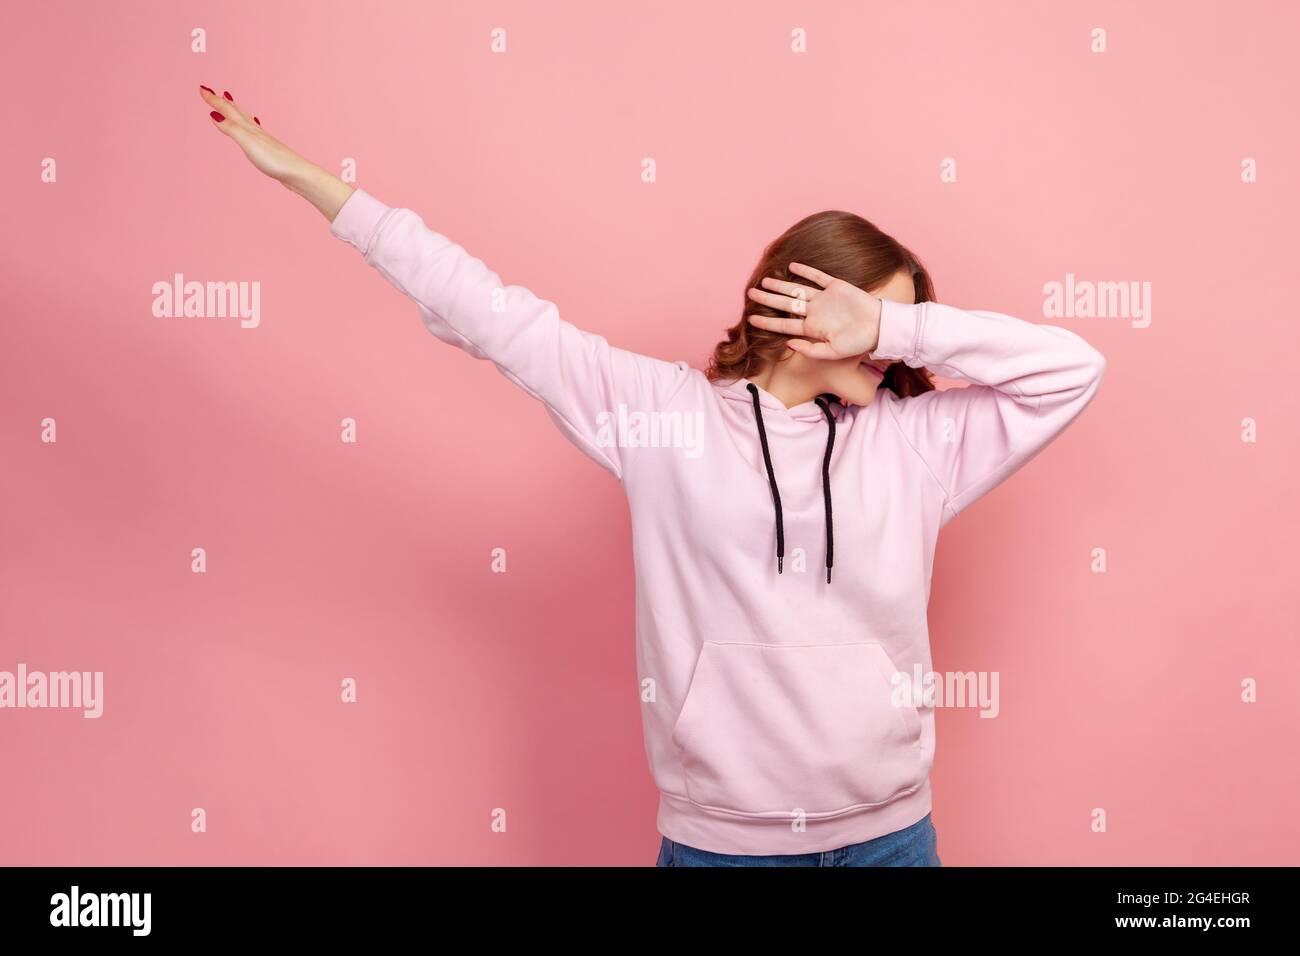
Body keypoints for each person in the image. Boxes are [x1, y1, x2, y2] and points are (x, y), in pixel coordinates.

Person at [200, 85, 1106, 867]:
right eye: (861, 316)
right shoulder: (662, 418)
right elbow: (485, 309)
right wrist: (303, 176)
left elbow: (1074, 369)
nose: (879, 343)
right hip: (723, 848)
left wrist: (896, 331)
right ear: (797, 305)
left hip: (892, 840)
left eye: (890, 327)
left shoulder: (915, 444)